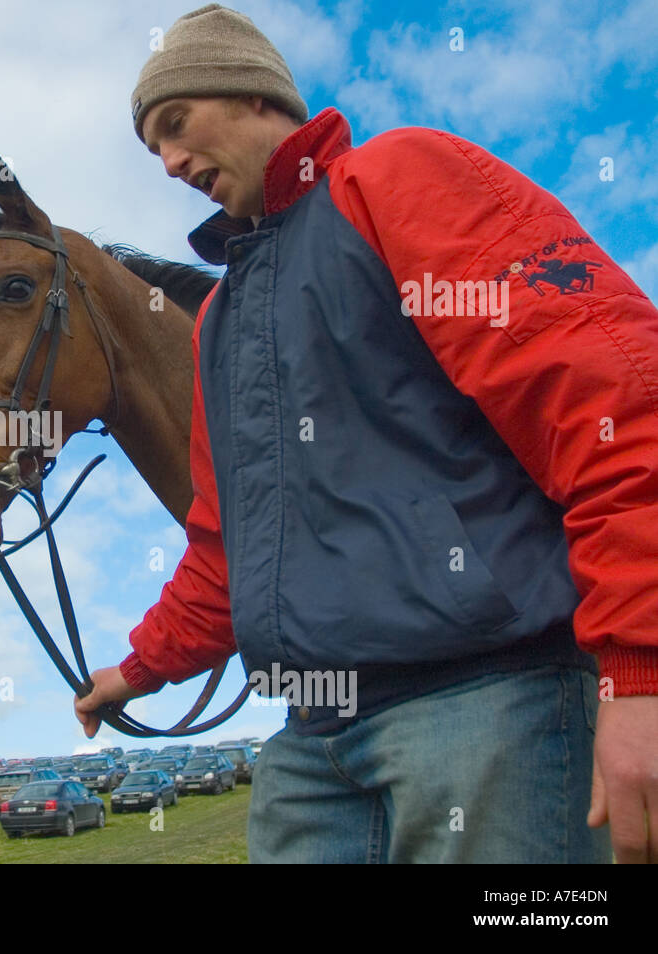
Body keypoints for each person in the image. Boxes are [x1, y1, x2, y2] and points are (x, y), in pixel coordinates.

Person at [74, 3, 658, 863]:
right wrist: (137, 670)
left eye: (174, 125)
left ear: (250, 92)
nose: (167, 163)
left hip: (492, 709)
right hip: (309, 754)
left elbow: (604, 393)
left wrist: (639, 668)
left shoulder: (394, 179)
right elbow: (223, 549)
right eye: (152, 147)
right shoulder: (219, 323)